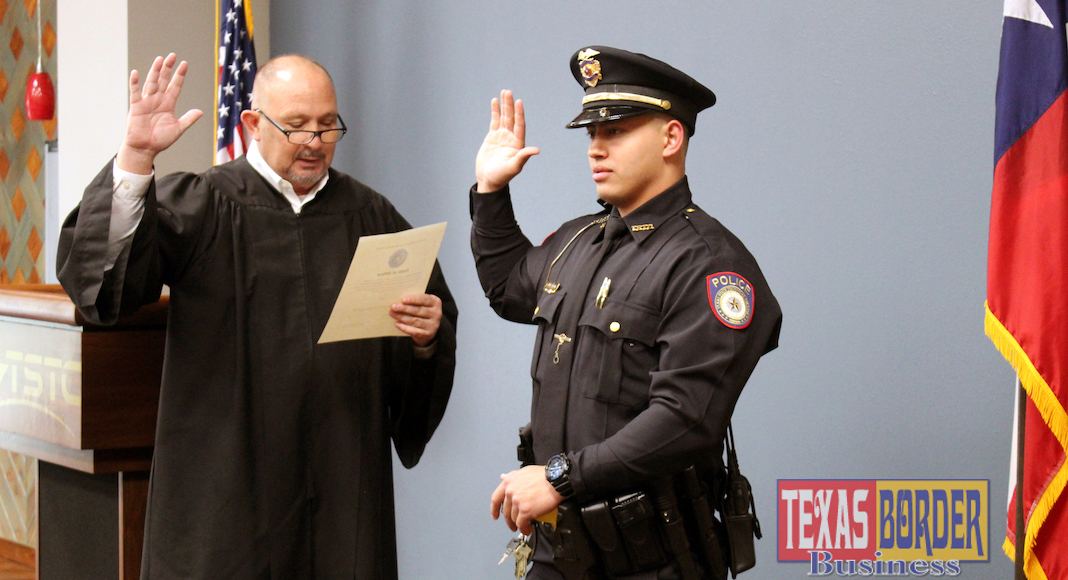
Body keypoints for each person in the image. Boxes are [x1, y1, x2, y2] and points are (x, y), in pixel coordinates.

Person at [57, 53, 457, 579]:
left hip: (340, 492)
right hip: (224, 497)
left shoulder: (370, 215)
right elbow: (107, 285)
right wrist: (134, 157)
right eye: (295, 126)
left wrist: (426, 338)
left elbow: (425, 329)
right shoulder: (205, 205)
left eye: (327, 125)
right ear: (252, 124)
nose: (315, 141)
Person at [471, 46, 782, 579]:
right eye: (592, 134)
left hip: (652, 561)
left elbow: (685, 420)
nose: (596, 148)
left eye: (615, 132)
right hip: (557, 555)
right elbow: (507, 287)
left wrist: (558, 478)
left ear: (671, 138)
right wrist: (491, 190)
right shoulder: (578, 241)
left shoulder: (710, 265)